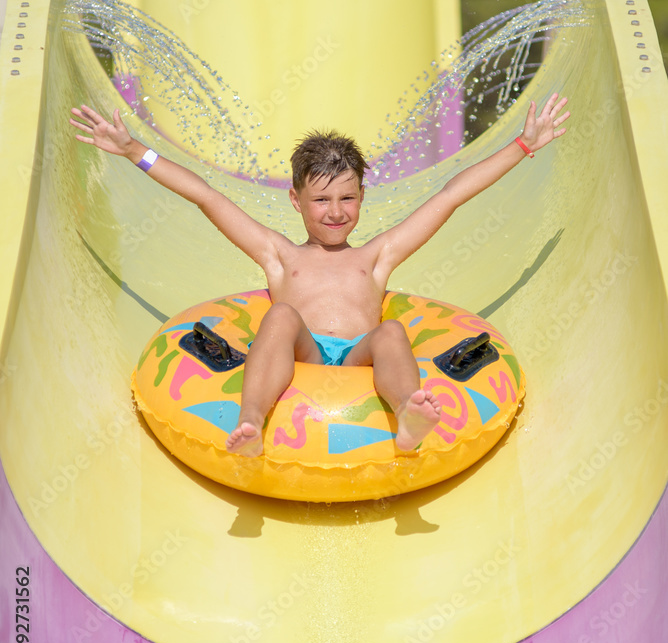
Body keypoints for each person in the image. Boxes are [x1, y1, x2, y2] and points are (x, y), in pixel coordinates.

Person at [70, 93, 569, 457]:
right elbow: (206, 196)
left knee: (393, 331)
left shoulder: (376, 257)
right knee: (283, 314)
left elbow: (450, 197)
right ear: (296, 200)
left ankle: (408, 416)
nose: (335, 212)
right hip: (302, 350)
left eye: (347, 198)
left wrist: (523, 145)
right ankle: (251, 421)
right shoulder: (278, 255)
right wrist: (136, 150)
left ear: (362, 200)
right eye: (322, 200)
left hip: (358, 358)